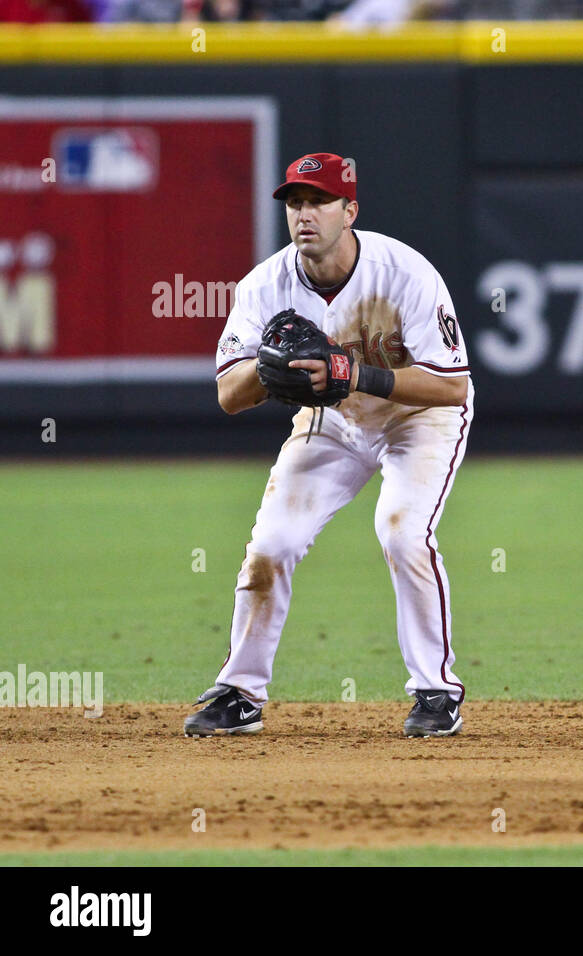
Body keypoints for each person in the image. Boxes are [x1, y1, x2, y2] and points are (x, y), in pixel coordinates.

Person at [185, 152, 473, 739]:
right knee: (271, 543)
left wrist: (356, 373)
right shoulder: (265, 285)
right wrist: (271, 371)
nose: (305, 214)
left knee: (401, 531)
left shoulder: (404, 272)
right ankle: (240, 692)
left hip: (418, 419)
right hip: (334, 422)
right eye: (295, 202)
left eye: (319, 201)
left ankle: (436, 692)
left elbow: (452, 385)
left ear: (351, 211)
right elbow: (228, 395)